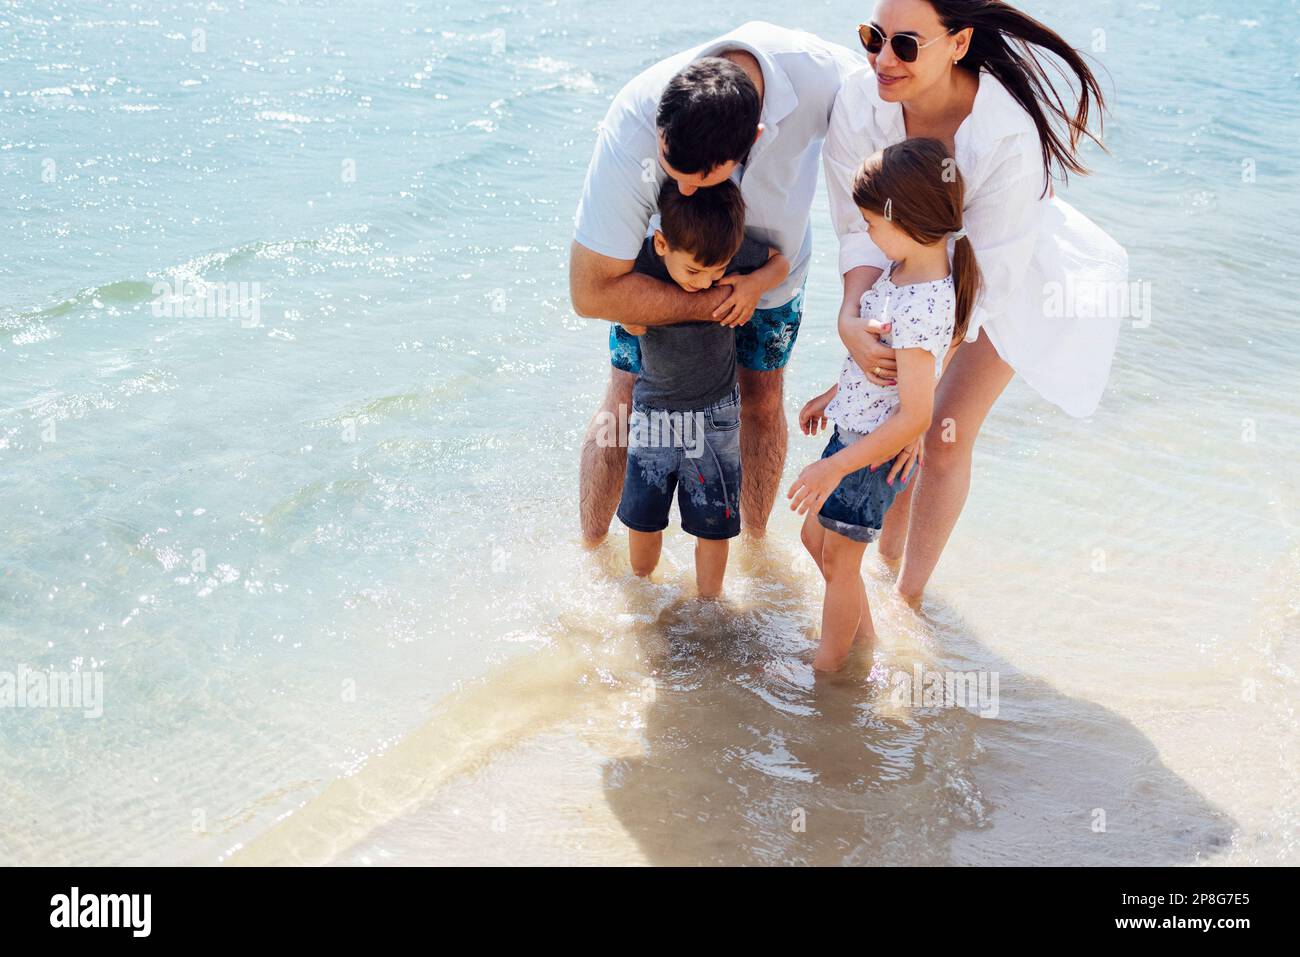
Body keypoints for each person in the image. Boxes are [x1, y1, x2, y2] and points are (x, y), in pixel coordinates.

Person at [823, 0, 1128, 605]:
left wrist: (921, 386)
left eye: (906, 45)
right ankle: (882, 564)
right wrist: (850, 316)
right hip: (900, 266)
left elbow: (984, 279)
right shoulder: (860, 101)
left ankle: (908, 597)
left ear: (958, 44)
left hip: (997, 277)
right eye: (872, 37)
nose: (883, 59)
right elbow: (857, 226)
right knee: (894, 420)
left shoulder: (1007, 133)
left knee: (939, 433)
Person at [571, 21, 864, 545]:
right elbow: (589, 293)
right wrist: (712, 302)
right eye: (670, 168)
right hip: (665, 277)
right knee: (626, 390)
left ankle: (753, 547)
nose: (680, 188)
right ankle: (592, 549)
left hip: (772, 273)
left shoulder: (825, 79)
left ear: (752, 140)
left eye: (699, 178)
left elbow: (899, 123)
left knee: (762, 397)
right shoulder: (634, 122)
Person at [790, 138, 980, 671]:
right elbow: (880, 369)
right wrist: (833, 394)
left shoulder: (924, 304)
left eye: (873, 223)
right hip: (852, 430)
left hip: (870, 454)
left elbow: (916, 415)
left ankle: (826, 668)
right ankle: (863, 637)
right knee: (816, 540)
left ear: (909, 223)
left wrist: (835, 466)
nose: (868, 234)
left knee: (839, 559)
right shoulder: (900, 275)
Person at [618, 179, 789, 597]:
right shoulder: (641, 262)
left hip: (716, 416)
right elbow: (605, 290)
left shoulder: (721, 246)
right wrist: (625, 316)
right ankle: (642, 592)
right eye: (694, 271)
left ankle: (709, 602)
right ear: (661, 243)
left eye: (717, 272)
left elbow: (781, 264)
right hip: (654, 413)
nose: (704, 281)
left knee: (714, 523)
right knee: (643, 518)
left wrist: (752, 284)